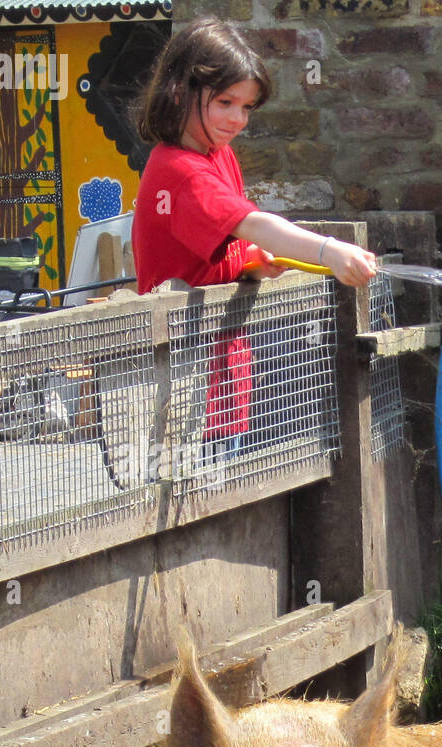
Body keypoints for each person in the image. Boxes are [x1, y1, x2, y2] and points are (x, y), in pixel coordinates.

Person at [132, 17, 376, 463]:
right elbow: (255, 224)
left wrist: (251, 263)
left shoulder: (216, 156)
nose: (237, 119)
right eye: (225, 101)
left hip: (222, 391)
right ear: (180, 91)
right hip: (186, 395)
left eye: (246, 107)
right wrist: (329, 250)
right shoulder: (181, 172)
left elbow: (219, 244)